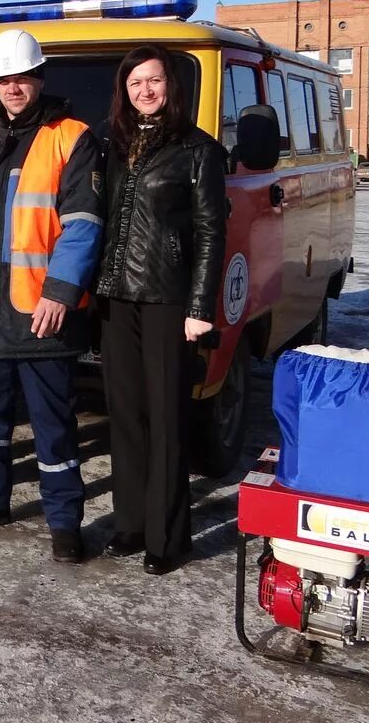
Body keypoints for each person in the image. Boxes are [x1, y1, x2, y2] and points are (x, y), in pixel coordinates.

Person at [0, 30, 103, 564]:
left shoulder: (72, 137)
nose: (13, 87)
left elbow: (82, 224)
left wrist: (60, 290)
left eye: (21, 77)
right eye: (4, 79)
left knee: (52, 425)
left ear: (39, 78)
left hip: (40, 310)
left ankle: (64, 521)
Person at [94, 44, 227, 574]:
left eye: (153, 81)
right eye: (134, 84)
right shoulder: (116, 145)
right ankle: (129, 524)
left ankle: (168, 539)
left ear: (171, 85)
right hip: (116, 296)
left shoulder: (199, 150)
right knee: (126, 416)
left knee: (169, 419)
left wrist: (200, 307)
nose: (145, 91)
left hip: (169, 299)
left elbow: (211, 232)